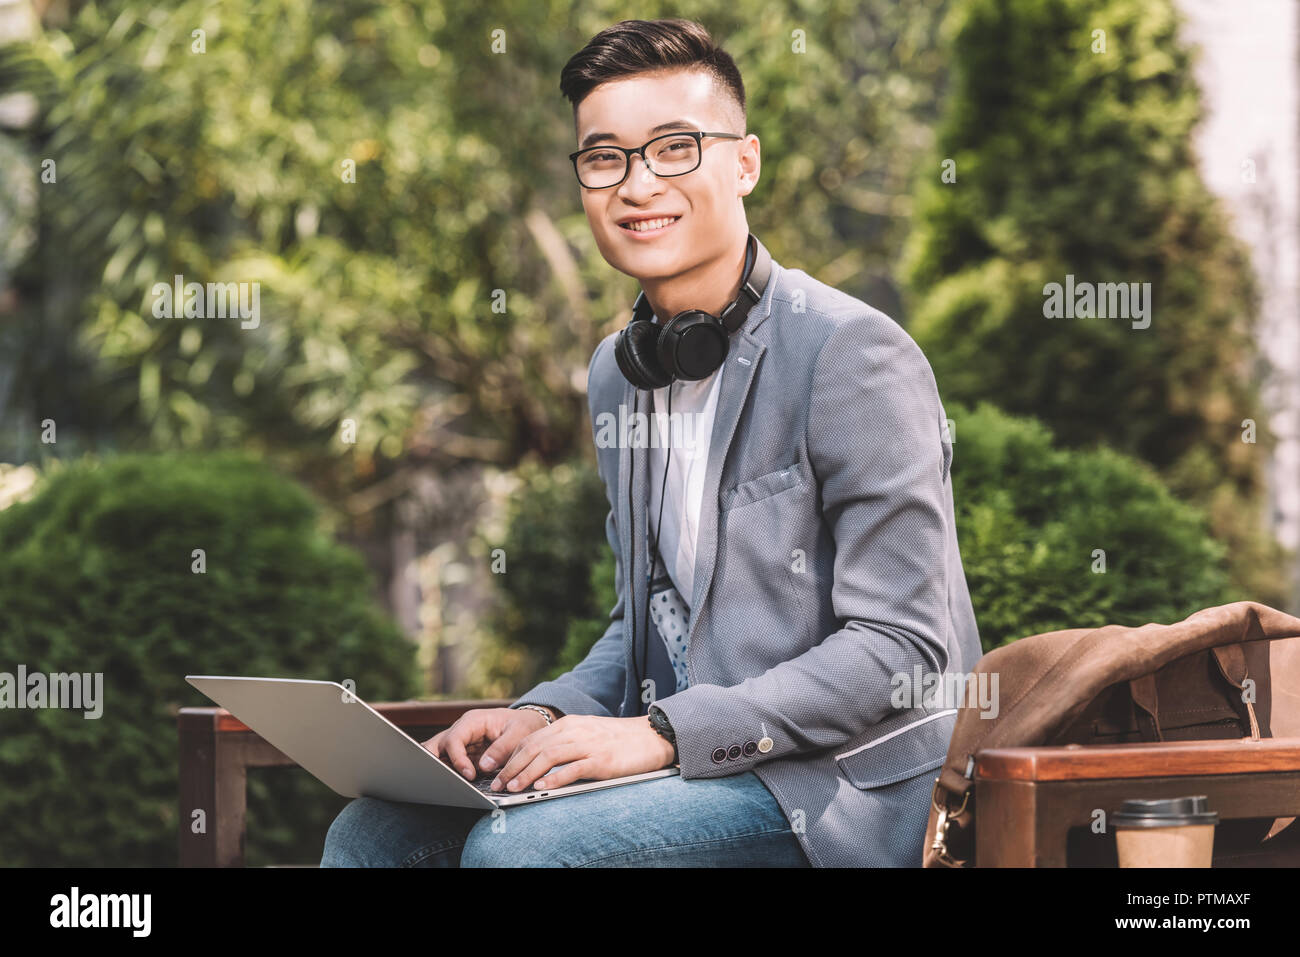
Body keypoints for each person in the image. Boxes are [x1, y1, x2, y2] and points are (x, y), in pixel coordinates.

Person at [321, 16, 982, 868]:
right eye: (605, 158)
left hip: (846, 791)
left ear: (745, 163)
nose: (637, 185)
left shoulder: (850, 353)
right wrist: (539, 715)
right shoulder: (618, 373)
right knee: (373, 832)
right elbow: (646, 624)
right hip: (703, 769)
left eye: (675, 148)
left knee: (520, 852)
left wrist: (663, 733)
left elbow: (904, 647)